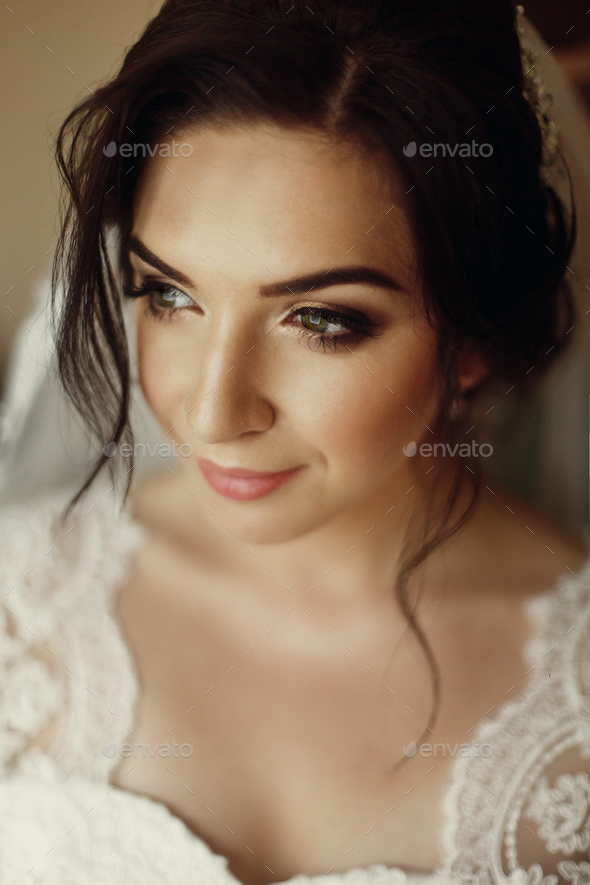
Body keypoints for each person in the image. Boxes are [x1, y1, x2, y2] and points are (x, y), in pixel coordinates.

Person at [1, 1, 589, 883]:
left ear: (471, 342)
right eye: (169, 296)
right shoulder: (15, 601)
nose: (211, 411)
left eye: (320, 320)